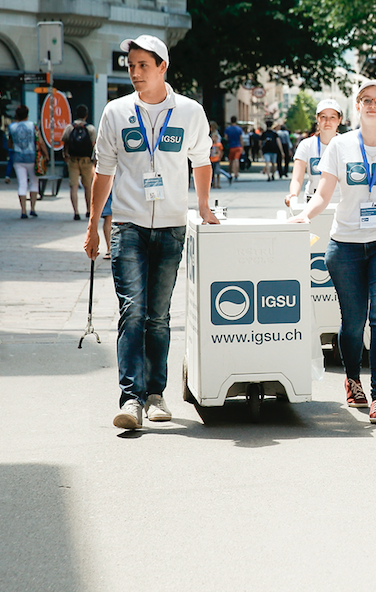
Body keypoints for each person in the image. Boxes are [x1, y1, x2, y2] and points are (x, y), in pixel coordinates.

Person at [82, 34, 217, 430]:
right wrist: (93, 227)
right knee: (132, 311)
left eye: (143, 65)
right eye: (131, 66)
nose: (135, 73)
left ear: (162, 67)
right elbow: (103, 171)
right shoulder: (117, 112)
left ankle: (156, 394)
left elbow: (202, 161)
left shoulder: (190, 112)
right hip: (127, 227)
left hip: (172, 227)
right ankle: (130, 397)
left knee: (158, 316)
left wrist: (204, 208)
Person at [288, 79, 376, 425]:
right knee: (352, 324)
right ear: (357, 106)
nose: (373, 105)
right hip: (345, 244)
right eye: (366, 100)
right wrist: (304, 214)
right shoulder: (340, 146)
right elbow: (323, 193)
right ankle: (352, 379)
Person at [286, 99, 342, 207]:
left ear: (339, 120)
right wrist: (293, 194)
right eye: (323, 117)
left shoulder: (347, 144)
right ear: (317, 119)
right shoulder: (306, 145)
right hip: (313, 201)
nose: (327, 121)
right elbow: (297, 178)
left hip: (339, 204)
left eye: (332, 117)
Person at [7, 105, 48, 219]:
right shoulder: (33, 126)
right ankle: (33, 208)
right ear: (27, 114)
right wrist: (46, 154)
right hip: (32, 158)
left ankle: (23, 210)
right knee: (34, 182)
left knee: (22, 183)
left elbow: (9, 144)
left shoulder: (12, 127)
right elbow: (41, 141)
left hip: (18, 158)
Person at [61, 104, 97, 221]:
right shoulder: (90, 129)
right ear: (86, 115)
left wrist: (65, 155)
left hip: (73, 160)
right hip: (86, 160)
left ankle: (76, 212)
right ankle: (88, 210)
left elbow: (65, 143)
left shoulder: (69, 128)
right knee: (88, 186)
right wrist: (94, 161)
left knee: (74, 186)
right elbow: (94, 146)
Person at [224, 116, 244, 181]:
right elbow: (241, 139)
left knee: (230, 161)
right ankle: (236, 174)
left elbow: (225, 138)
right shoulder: (239, 129)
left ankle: (230, 173)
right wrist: (242, 147)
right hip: (238, 146)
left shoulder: (228, 129)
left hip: (230, 146)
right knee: (236, 160)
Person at [208, 120, 223, 189]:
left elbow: (220, 150)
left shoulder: (217, 141)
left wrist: (220, 157)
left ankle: (217, 183)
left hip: (216, 158)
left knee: (217, 171)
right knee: (212, 172)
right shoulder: (209, 144)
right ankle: (213, 183)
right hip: (211, 158)